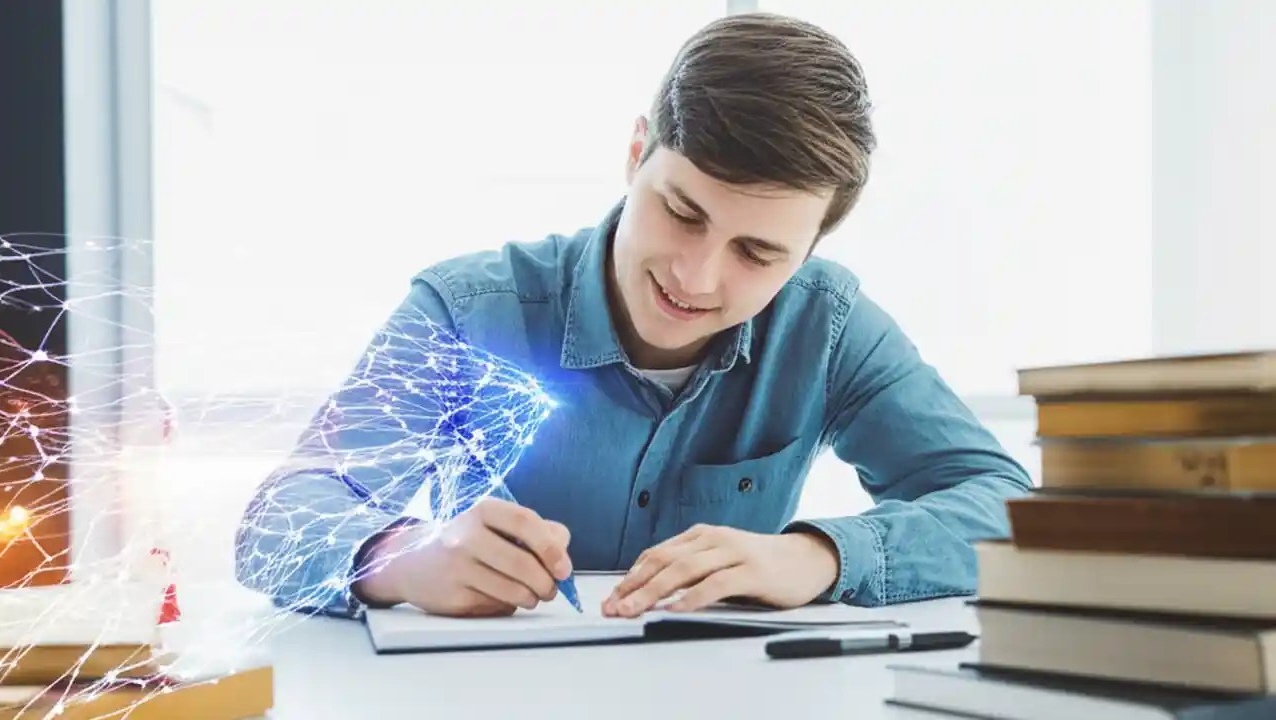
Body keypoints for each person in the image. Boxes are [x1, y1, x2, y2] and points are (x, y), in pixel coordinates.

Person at [234, 12, 1031, 621]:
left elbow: (1001, 503)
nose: (696, 276)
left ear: (811, 245)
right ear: (636, 153)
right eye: (681, 212)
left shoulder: (827, 324)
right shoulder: (468, 312)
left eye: (758, 253)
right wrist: (398, 556)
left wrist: (822, 555)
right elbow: (275, 520)